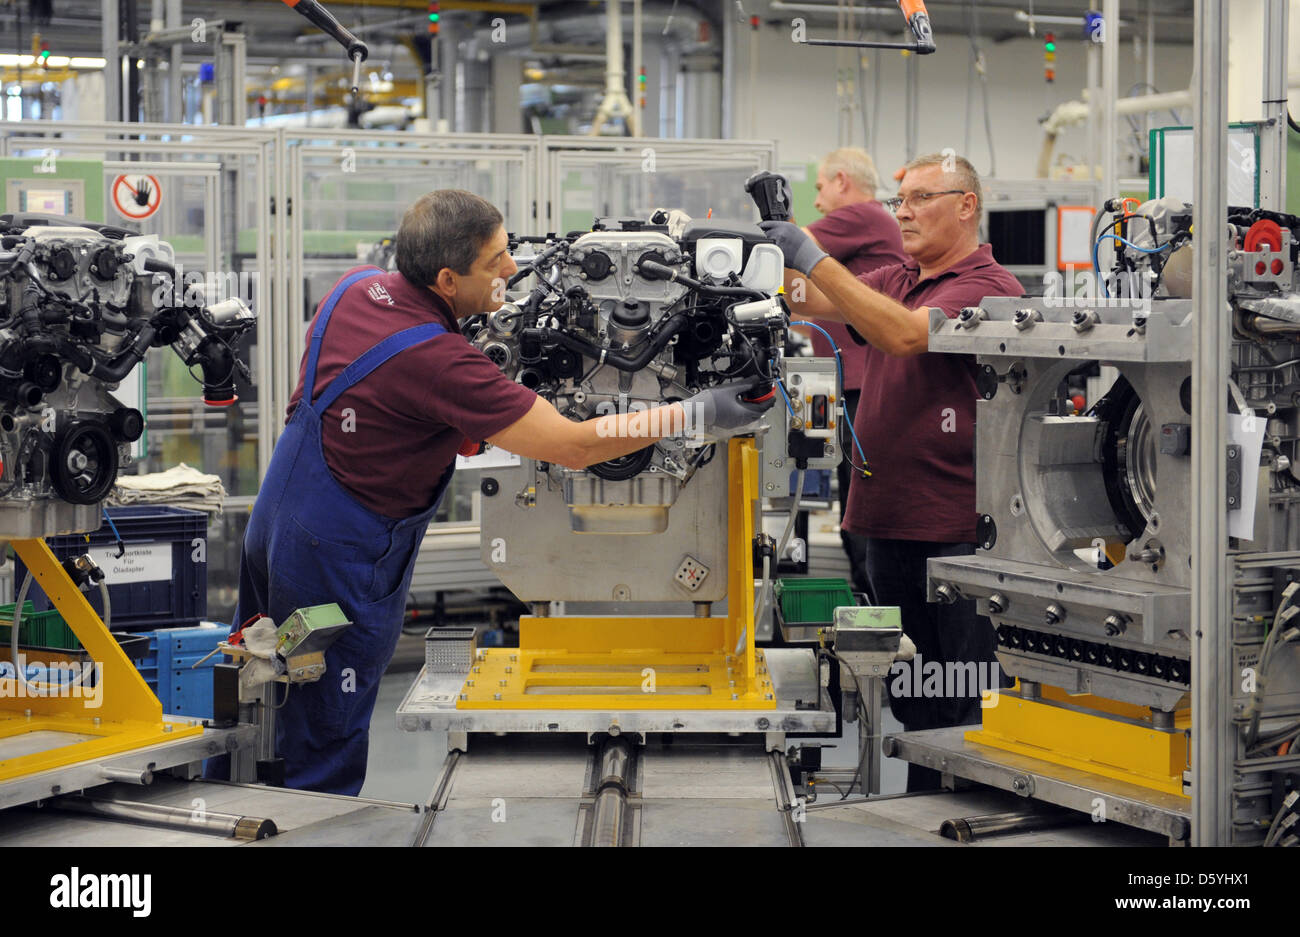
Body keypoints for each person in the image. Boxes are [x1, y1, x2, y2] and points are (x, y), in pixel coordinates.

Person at [222, 189, 773, 795]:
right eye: (496, 261)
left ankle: (237, 797)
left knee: (257, 678)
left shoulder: (355, 288)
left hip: (275, 518)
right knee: (325, 713)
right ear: (447, 277)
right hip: (340, 546)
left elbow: (405, 402)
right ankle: (311, 819)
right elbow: (573, 446)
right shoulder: (440, 362)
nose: (513, 269)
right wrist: (693, 411)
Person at [759, 154, 1024, 791]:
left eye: (919, 198)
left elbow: (906, 336)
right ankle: (923, 805)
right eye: (900, 199)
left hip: (959, 530)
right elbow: (817, 298)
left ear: (966, 205)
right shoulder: (898, 276)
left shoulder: (988, 287)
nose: (901, 211)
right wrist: (763, 253)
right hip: (888, 523)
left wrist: (810, 250)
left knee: (966, 694)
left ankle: (972, 810)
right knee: (911, 691)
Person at [801, 148, 907, 597]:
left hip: (863, 384)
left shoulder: (863, 214)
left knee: (859, 510)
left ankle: (879, 611)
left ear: (841, 180)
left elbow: (790, 242)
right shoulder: (869, 224)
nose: (819, 200)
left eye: (821, 187)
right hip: (849, 382)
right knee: (853, 501)